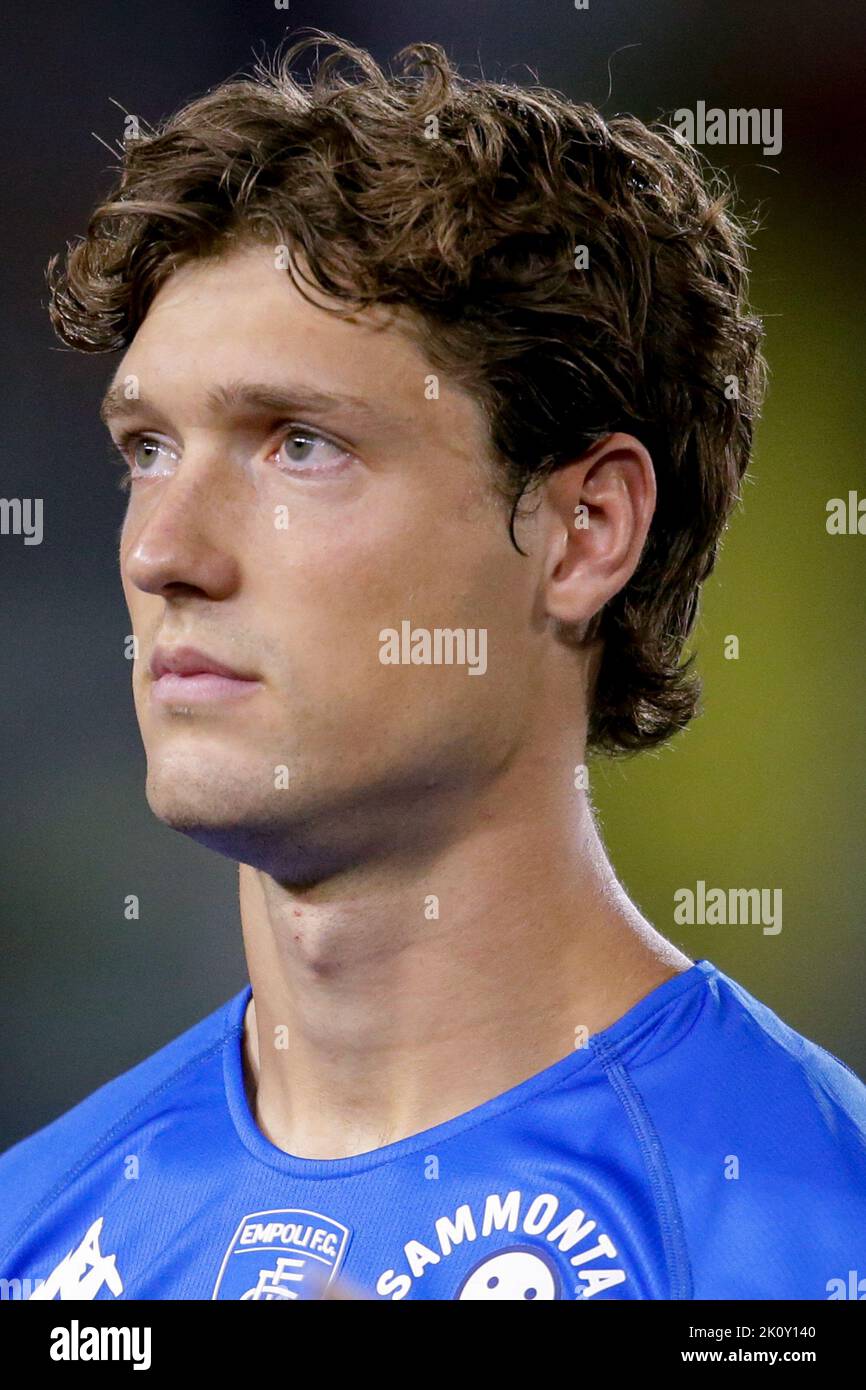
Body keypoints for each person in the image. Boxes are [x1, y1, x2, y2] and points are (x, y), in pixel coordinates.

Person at [1, 31, 863, 1302]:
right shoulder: (36, 1223)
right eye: (146, 449)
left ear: (583, 532)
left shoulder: (804, 1232)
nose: (161, 552)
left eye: (299, 445)